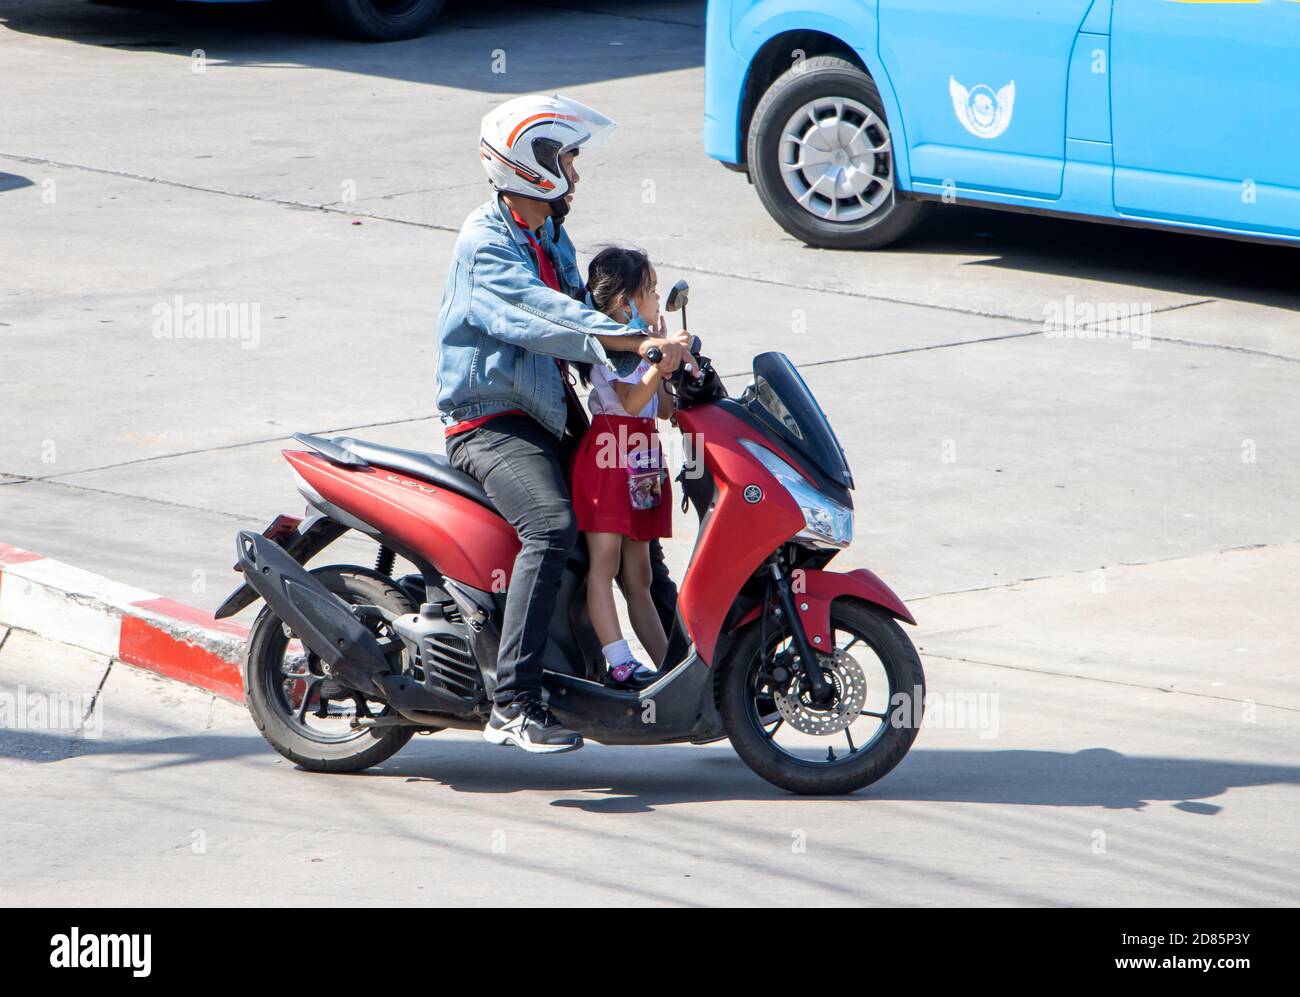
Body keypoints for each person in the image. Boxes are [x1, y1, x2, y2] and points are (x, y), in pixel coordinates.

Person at [435, 94, 694, 754]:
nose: (575, 173)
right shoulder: (486, 245)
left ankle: (685, 670)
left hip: (551, 411)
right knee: (550, 525)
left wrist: (657, 348)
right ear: (535, 165)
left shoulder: (549, 234)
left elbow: (590, 311)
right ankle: (513, 703)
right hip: (491, 421)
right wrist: (632, 343)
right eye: (567, 158)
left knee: (634, 524)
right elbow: (547, 316)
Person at [569, 248, 681, 688]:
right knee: (605, 562)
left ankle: (671, 669)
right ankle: (618, 661)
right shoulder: (607, 348)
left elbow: (664, 410)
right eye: (650, 291)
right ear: (624, 304)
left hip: (642, 457)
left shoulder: (647, 350)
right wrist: (658, 359)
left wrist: (671, 366)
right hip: (609, 456)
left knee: (641, 573)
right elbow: (631, 400)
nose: (655, 299)